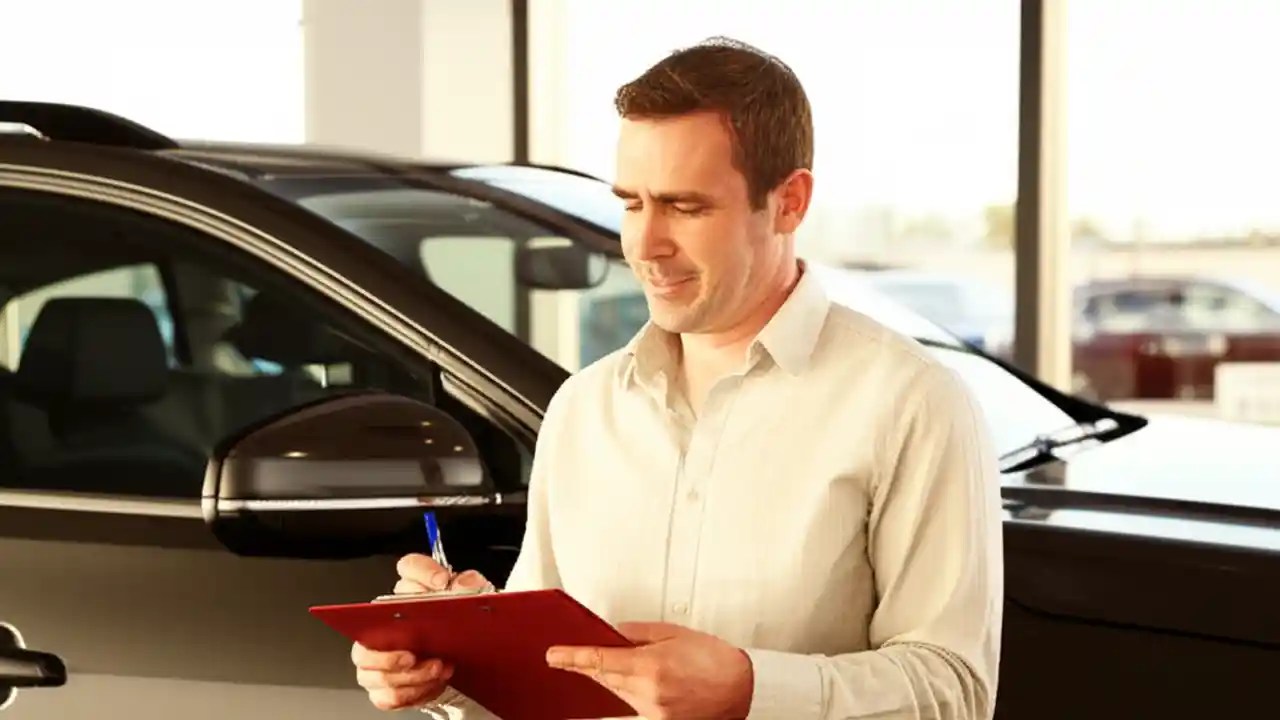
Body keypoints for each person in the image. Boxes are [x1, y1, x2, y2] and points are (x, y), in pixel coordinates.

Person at [352, 36, 1004, 720]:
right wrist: (452, 660)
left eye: (685, 207)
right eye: (632, 203)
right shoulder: (585, 409)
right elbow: (547, 679)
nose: (644, 244)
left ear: (789, 203)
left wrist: (751, 690)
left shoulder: (910, 403)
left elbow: (953, 690)